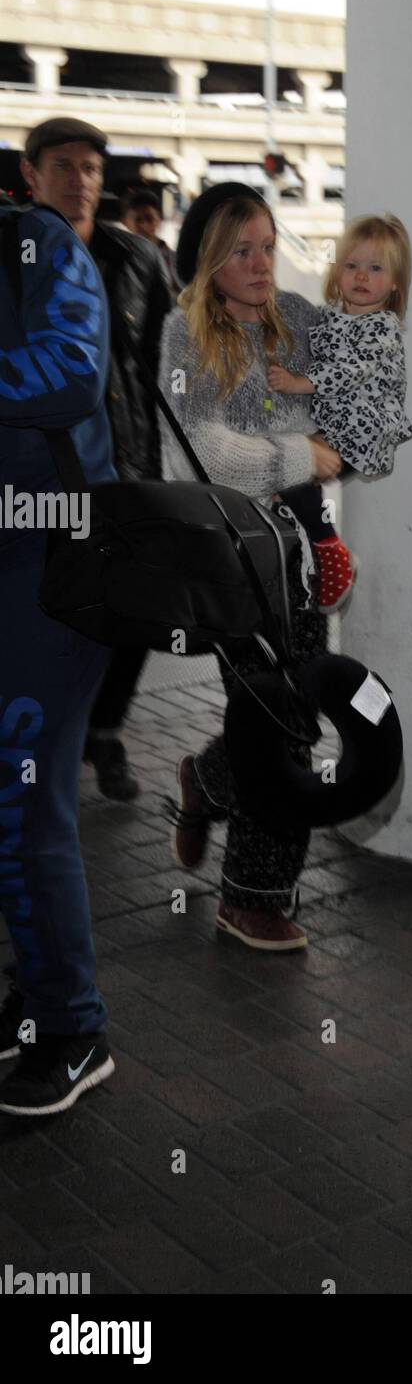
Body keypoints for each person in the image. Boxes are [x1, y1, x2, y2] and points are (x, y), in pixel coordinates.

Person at [160, 182, 335, 951]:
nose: (263, 263)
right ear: (208, 258)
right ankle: (252, 897)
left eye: (267, 245)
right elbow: (201, 455)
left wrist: (323, 537)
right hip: (227, 557)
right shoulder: (182, 335)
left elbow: (306, 461)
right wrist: (305, 455)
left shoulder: (283, 332)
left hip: (291, 556)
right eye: (242, 250)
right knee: (281, 719)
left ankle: (208, 779)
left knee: (292, 710)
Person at [0, 197, 116, 1114]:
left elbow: (74, 372)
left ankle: (74, 1029)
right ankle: (36, 1003)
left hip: (50, 570)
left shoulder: (34, 239)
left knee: (25, 803)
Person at [20, 118, 172, 803]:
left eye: (89, 167)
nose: (79, 180)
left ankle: (103, 732)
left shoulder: (137, 258)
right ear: (32, 174)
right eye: (62, 165)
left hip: (125, 469)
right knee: (46, 613)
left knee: (133, 609)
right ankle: (46, 745)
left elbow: (163, 366)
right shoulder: (11, 253)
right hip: (38, 479)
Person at [267, 212, 412, 611]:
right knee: (285, 474)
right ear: (337, 272)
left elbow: (346, 372)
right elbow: (304, 343)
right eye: (352, 266)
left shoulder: (382, 328)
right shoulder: (331, 316)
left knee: (293, 468)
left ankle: (332, 554)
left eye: (375, 268)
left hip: (360, 433)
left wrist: (299, 383)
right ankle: (308, 552)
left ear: (395, 282)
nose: (361, 276)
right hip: (330, 426)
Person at [124, 187, 182, 302]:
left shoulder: (174, 261)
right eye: (138, 220)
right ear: (127, 223)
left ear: (158, 221)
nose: (143, 225)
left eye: (149, 218)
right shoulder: (122, 259)